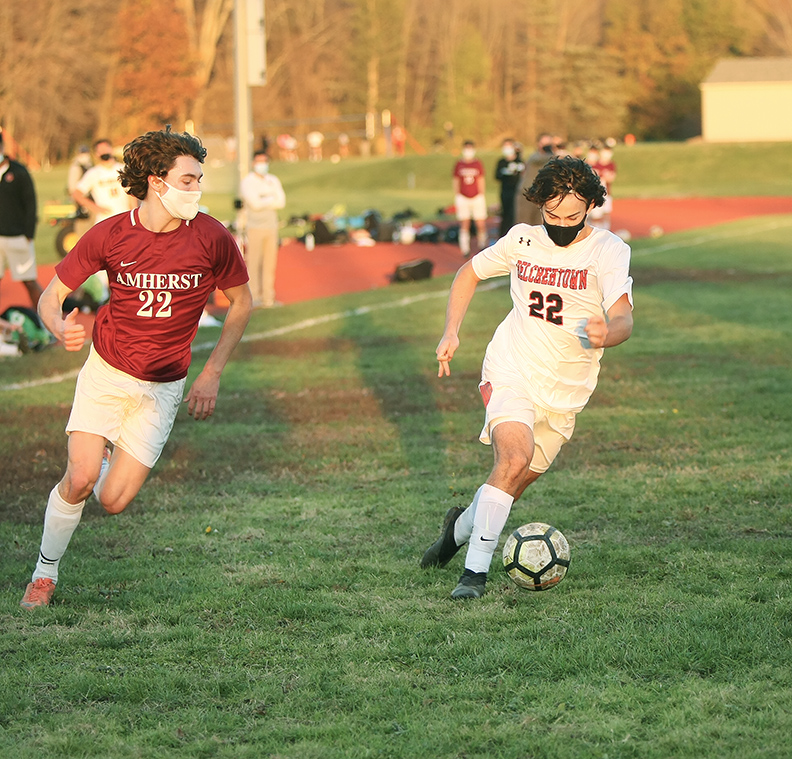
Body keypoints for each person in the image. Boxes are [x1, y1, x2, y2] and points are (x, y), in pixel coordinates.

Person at [19, 127, 253, 610]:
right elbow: (51, 296)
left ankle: (106, 461)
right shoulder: (110, 233)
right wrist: (58, 327)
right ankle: (44, 574)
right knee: (80, 478)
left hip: (164, 386)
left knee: (113, 500)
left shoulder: (211, 236)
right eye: (187, 180)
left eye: (199, 180)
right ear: (156, 181)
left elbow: (242, 302)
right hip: (107, 372)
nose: (196, 190)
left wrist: (211, 373)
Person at [421, 155, 634, 600]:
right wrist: (451, 330)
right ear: (540, 206)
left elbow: (623, 320)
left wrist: (606, 333)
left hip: (566, 392)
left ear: (591, 206)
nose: (560, 223)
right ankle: (473, 577)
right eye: (551, 214)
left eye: (572, 216)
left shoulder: (608, 250)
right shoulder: (522, 239)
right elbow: (468, 272)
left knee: (512, 482)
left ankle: (456, 531)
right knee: (512, 460)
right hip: (511, 368)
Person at [0, 129, 43, 309]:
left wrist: (28, 234)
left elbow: (31, 204)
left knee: (29, 281)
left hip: (18, 236)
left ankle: (46, 322)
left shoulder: (19, 172)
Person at [239, 151, 286, 308]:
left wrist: (264, 198)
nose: (262, 165)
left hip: (271, 226)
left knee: (269, 263)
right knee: (254, 262)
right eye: (259, 161)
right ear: (253, 163)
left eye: (264, 161)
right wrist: (270, 198)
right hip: (255, 227)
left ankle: (268, 298)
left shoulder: (273, 180)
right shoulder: (248, 182)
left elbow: (281, 202)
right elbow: (255, 204)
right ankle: (254, 297)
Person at [72, 139, 137, 224]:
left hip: (125, 218)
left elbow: (132, 194)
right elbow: (77, 194)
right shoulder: (93, 173)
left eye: (106, 149)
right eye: (100, 150)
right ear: (96, 154)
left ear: (111, 150)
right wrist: (95, 208)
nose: (104, 152)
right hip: (104, 220)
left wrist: (134, 212)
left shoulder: (124, 169)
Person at [452, 140, 487, 257]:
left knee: (480, 223)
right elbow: (456, 180)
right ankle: (465, 248)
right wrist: (457, 195)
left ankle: (482, 245)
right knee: (464, 223)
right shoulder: (459, 164)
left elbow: (481, 179)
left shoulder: (478, 164)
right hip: (463, 197)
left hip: (477, 196)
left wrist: (481, 194)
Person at [514, 133, 554, 226]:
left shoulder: (549, 159)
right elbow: (539, 159)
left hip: (540, 194)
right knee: (524, 223)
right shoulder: (535, 157)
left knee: (539, 224)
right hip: (527, 193)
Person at [494, 138, 525, 237]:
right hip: (505, 191)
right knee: (505, 214)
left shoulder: (520, 161)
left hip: (517, 192)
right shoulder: (501, 162)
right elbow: (497, 176)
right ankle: (503, 236)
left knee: (516, 214)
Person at [589, 146, 617, 230]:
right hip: (597, 193)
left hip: (607, 192)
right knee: (595, 214)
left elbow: (611, 178)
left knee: (606, 213)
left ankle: (606, 229)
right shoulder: (595, 164)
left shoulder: (611, 165)